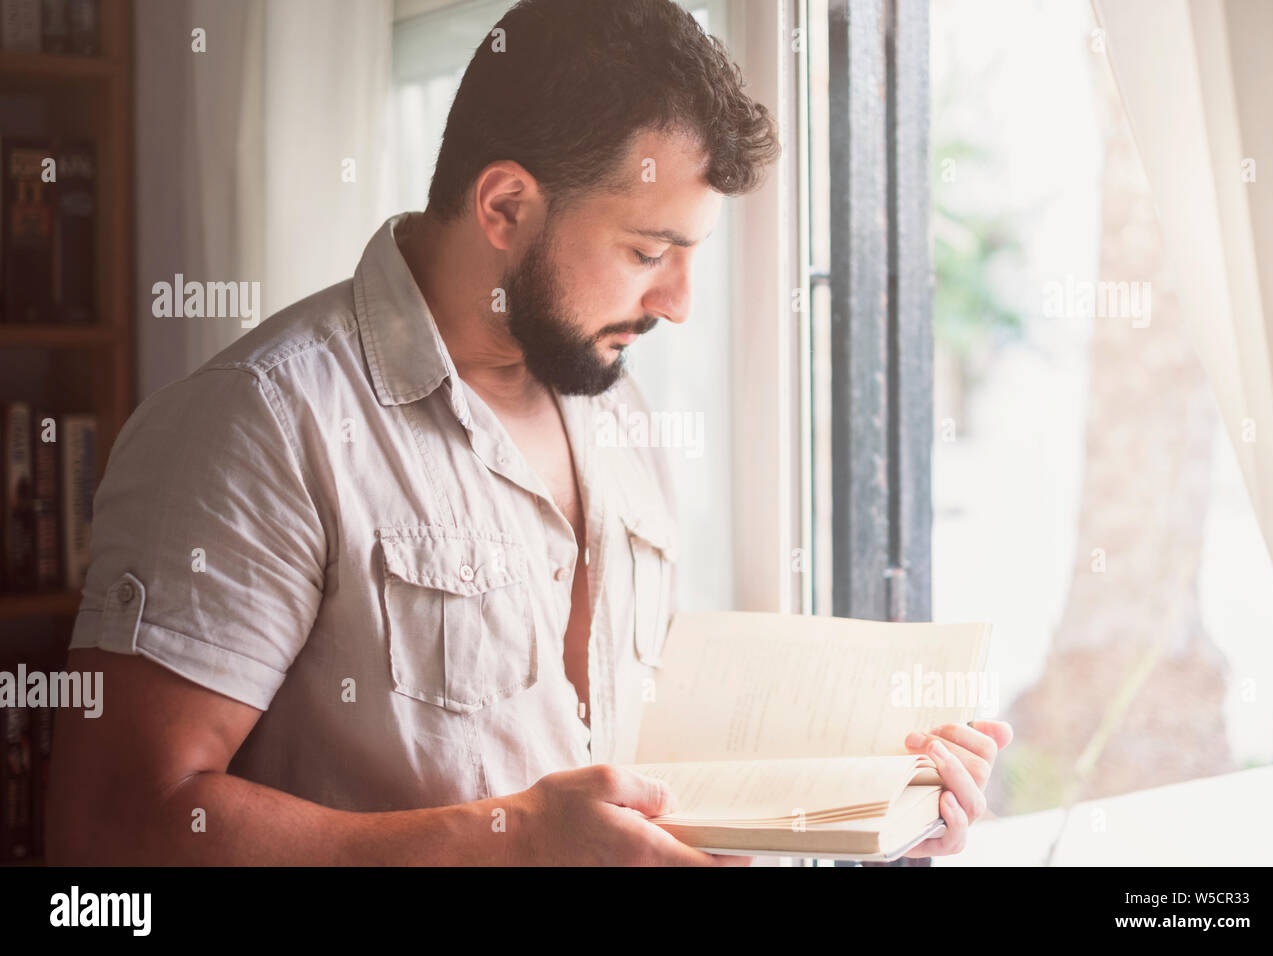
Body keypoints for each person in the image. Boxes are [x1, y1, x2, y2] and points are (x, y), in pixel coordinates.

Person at [47, 0, 1009, 865]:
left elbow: (636, 782)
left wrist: (874, 806)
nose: (676, 304)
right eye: (646, 252)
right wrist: (504, 846)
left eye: (688, 258)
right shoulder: (260, 422)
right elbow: (111, 828)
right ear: (505, 206)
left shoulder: (616, 406)